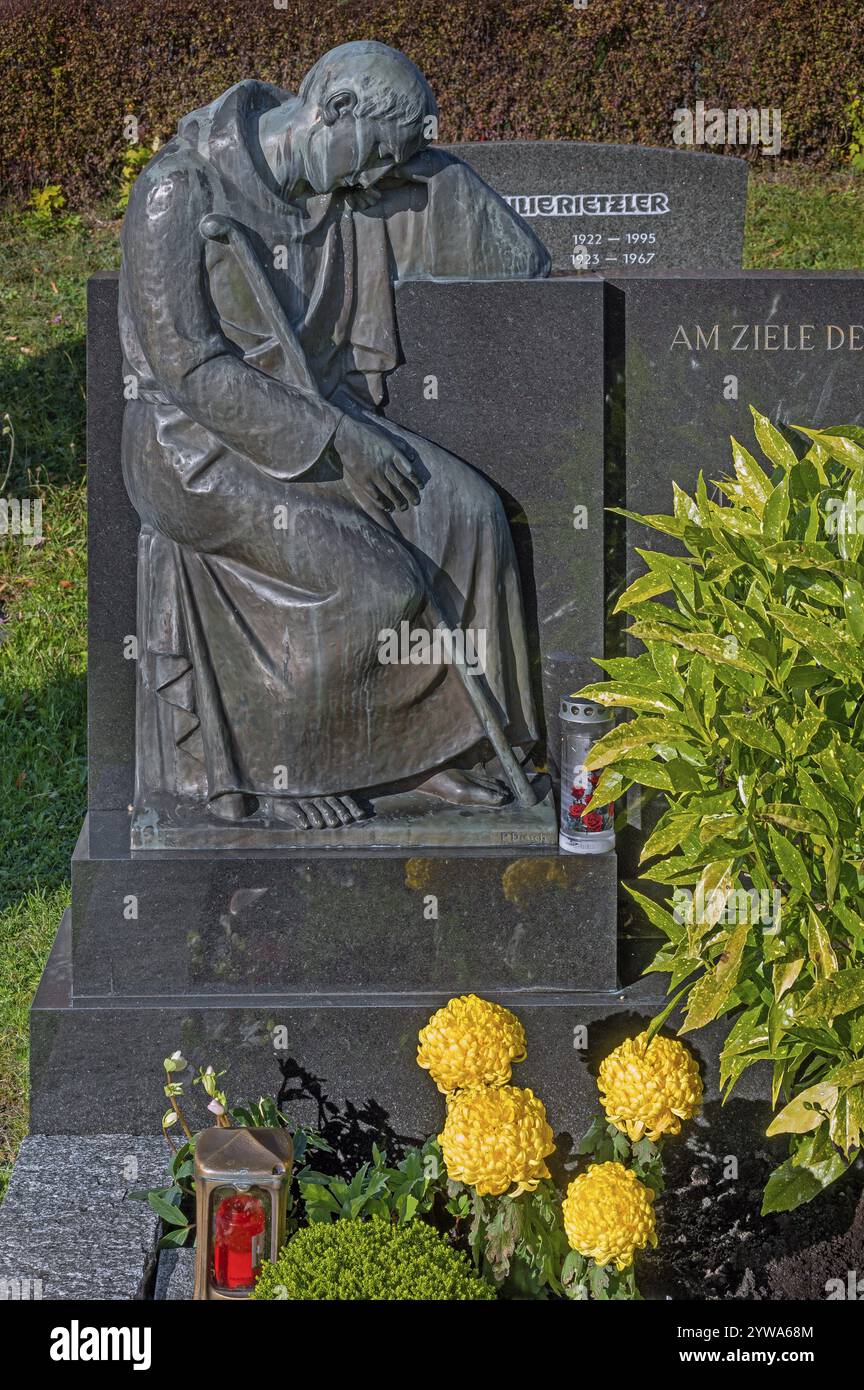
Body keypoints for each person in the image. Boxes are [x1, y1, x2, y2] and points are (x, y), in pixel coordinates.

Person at [119, 40, 550, 834]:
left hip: (315, 430)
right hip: (199, 452)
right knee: (374, 586)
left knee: (469, 516)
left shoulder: (334, 193)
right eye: (379, 155)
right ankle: (285, 767)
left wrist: (434, 171)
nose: (376, 180)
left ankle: (431, 754)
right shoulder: (177, 194)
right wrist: (340, 441)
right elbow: (189, 368)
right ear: (335, 110)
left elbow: (520, 263)